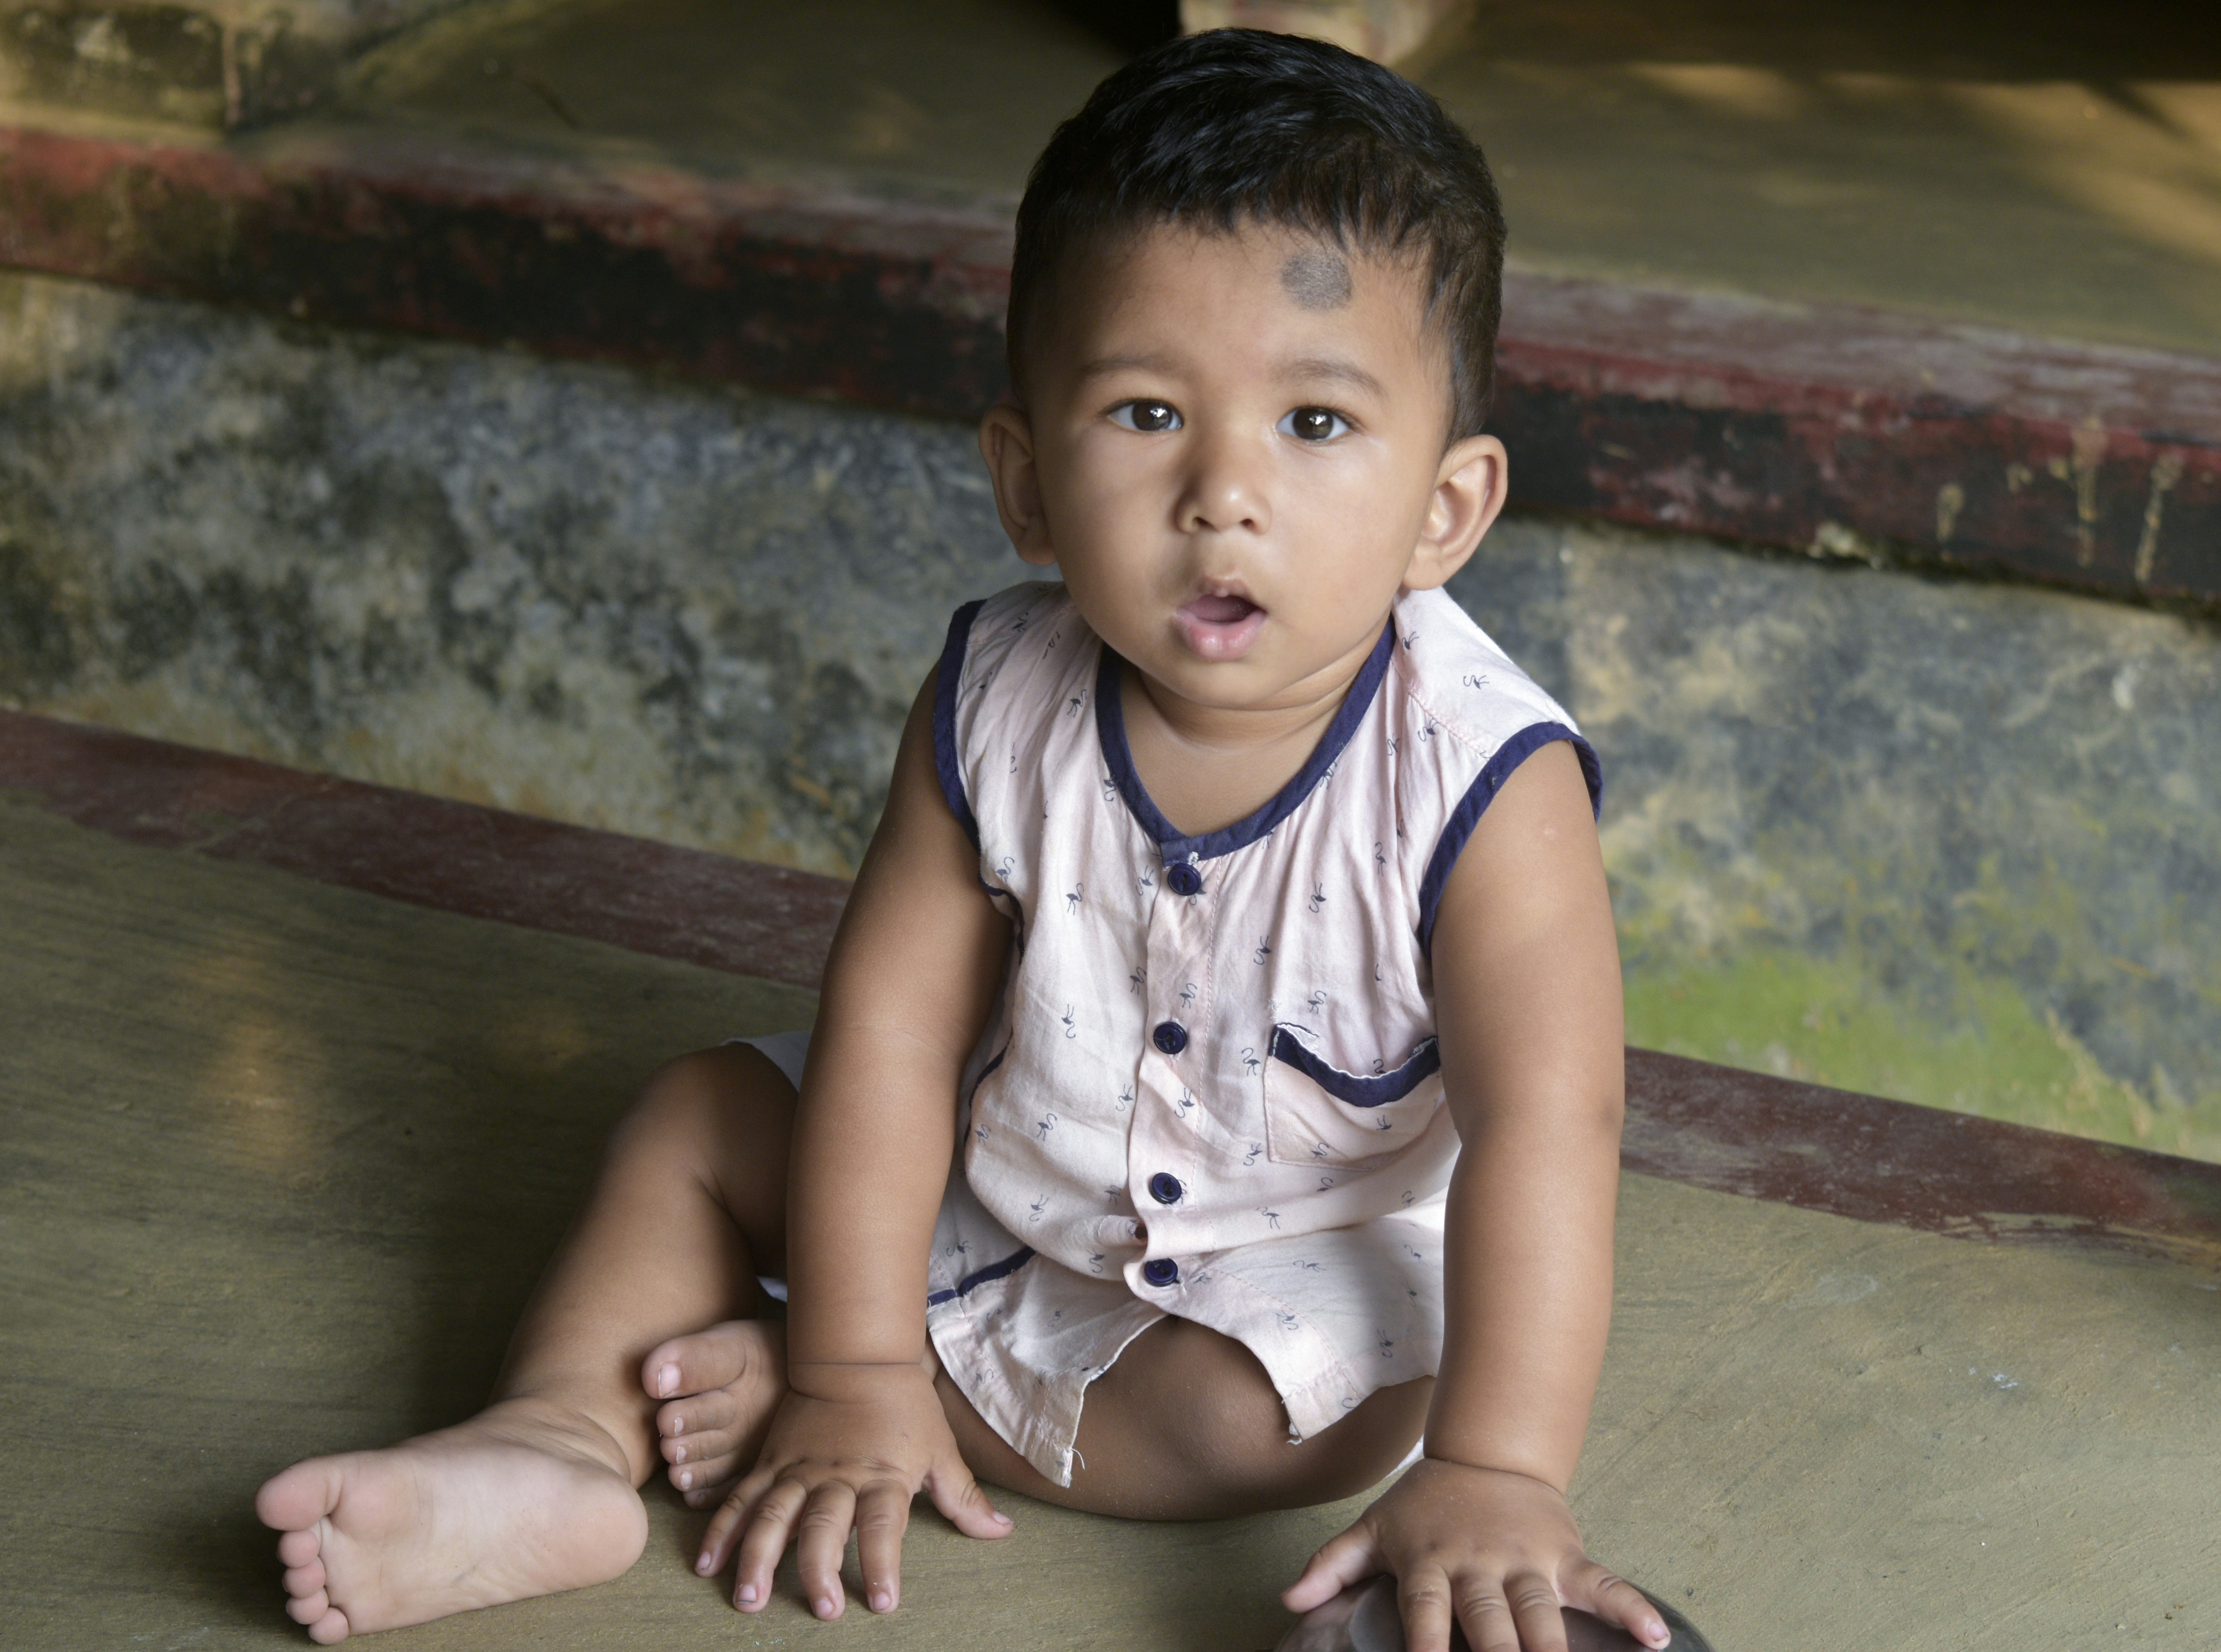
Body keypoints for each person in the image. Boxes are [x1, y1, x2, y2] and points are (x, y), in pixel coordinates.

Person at [255, 28, 1667, 1652]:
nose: (1223, 494)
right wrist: (854, 1361)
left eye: (1317, 425)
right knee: (697, 1118)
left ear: (1447, 506)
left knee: (1291, 1427)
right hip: (996, 1180)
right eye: (1147, 412)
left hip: (1285, 1263)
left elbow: (1549, 1125)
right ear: (1026, 481)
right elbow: (892, 1034)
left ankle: (841, 1380)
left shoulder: (1483, 781)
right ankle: (561, 1434)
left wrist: (1498, 1466)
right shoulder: (998, 691)